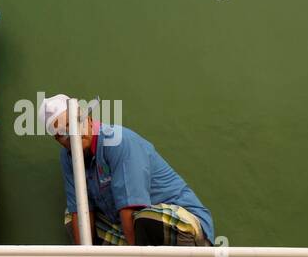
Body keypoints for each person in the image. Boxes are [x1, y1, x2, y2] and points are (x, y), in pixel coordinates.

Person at [38, 94, 215, 246]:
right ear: (57, 140)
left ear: (89, 119)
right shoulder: (68, 157)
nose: (72, 135)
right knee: (75, 217)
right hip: (131, 232)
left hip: (183, 226)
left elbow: (130, 207)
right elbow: (80, 211)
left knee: (145, 219)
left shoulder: (117, 140)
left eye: (75, 124)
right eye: (62, 134)